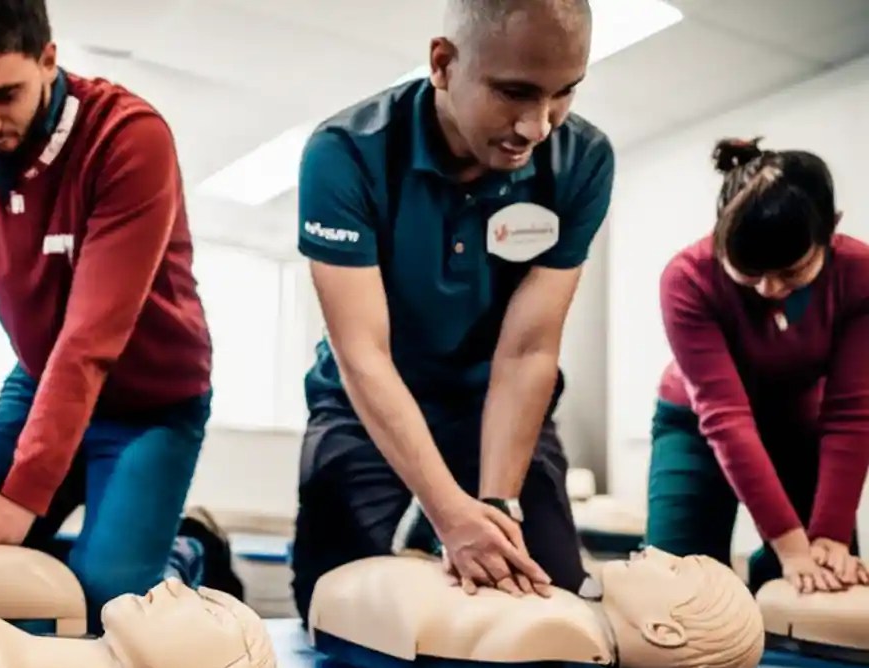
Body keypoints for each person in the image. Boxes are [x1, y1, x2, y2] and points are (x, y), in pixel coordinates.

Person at [0, 0, 238, 629]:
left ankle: (186, 550)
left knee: (108, 600)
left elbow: (90, 339)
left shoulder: (129, 138)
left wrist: (23, 499)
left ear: (48, 58)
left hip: (150, 403)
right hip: (39, 382)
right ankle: (108, 538)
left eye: (4, 95)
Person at [289, 0, 615, 621]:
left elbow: (528, 352)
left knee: (549, 606)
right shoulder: (344, 154)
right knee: (333, 603)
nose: (537, 126)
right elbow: (364, 353)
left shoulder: (584, 161)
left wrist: (493, 508)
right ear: (443, 63)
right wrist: (445, 511)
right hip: (368, 402)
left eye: (562, 95)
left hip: (492, 400)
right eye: (514, 93)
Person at [646, 137, 869, 595]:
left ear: (830, 231)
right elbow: (725, 417)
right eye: (748, 272)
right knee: (675, 585)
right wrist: (791, 546)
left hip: (800, 419)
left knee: (825, 577)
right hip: (696, 423)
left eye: (791, 272)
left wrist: (827, 535)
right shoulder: (687, 278)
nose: (768, 288)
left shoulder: (858, 274)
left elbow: (852, 410)